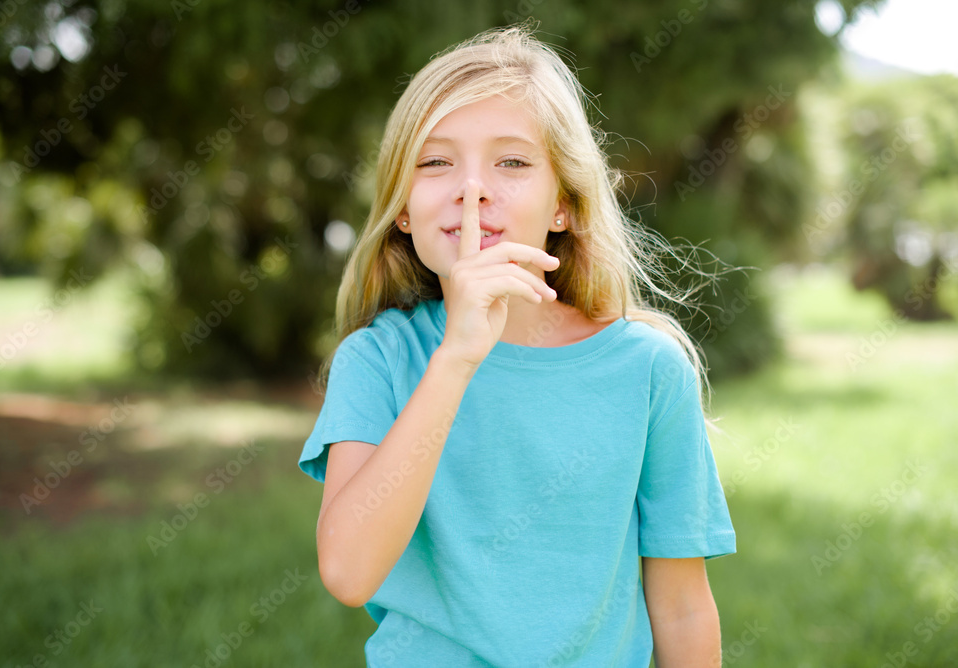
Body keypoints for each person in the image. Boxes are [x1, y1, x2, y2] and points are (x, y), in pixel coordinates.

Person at [298, 23, 736, 668]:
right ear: (401, 207)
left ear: (564, 205)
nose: (472, 187)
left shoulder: (647, 369)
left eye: (511, 162)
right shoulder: (378, 360)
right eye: (435, 160)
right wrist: (457, 358)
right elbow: (348, 572)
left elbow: (681, 606)